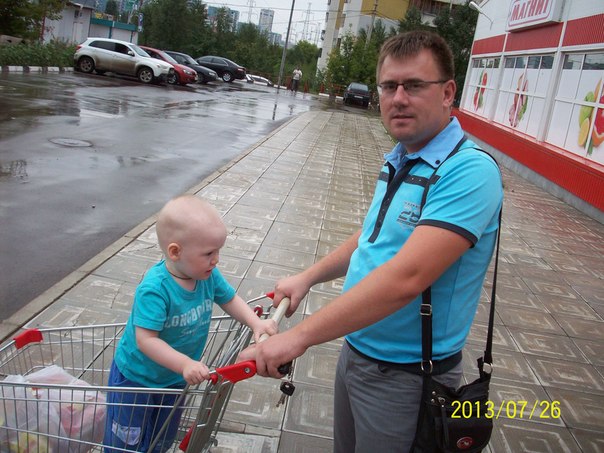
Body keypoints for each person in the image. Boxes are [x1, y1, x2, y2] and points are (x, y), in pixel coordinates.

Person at [238, 30, 503, 452]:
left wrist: (299, 336)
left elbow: (407, 277)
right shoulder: (402, 157)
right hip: (357, 353)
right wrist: (309, 277)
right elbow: (374, 237)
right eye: (388, 86)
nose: (398, 98)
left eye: (414, 85)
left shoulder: (468, 172)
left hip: (409, 378)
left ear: (448, 92)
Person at [103, 195, 277, 452]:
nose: (216, 259)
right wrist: (184, 363)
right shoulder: (155, 289)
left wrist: (255, 323)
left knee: (162, 436)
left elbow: (229, 298)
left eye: (218, 251)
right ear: (175, 252)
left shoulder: (207, 276)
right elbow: (146, 340)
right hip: (137, 379)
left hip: (173, 380)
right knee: (127, 440)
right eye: (208, 253)